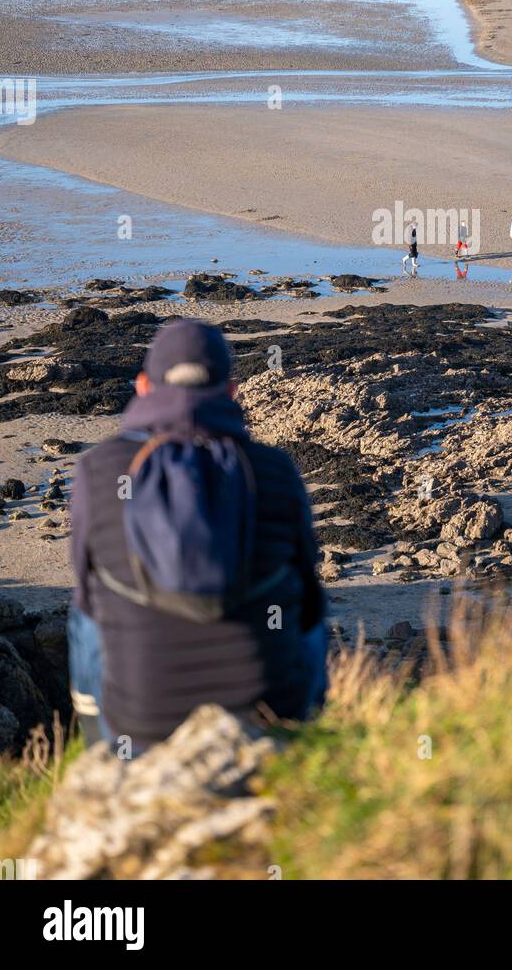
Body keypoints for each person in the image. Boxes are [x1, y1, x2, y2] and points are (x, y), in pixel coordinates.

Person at [68, 320, 326, 755]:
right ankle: (305, 725)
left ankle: (103, 745)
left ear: (144, 385)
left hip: (141, 724)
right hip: (267, 711)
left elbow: (87, 593)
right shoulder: (275, 468)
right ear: (231, 391)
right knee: (307, 605)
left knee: (84, 612)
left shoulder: (98, 470)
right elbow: (309, 599)